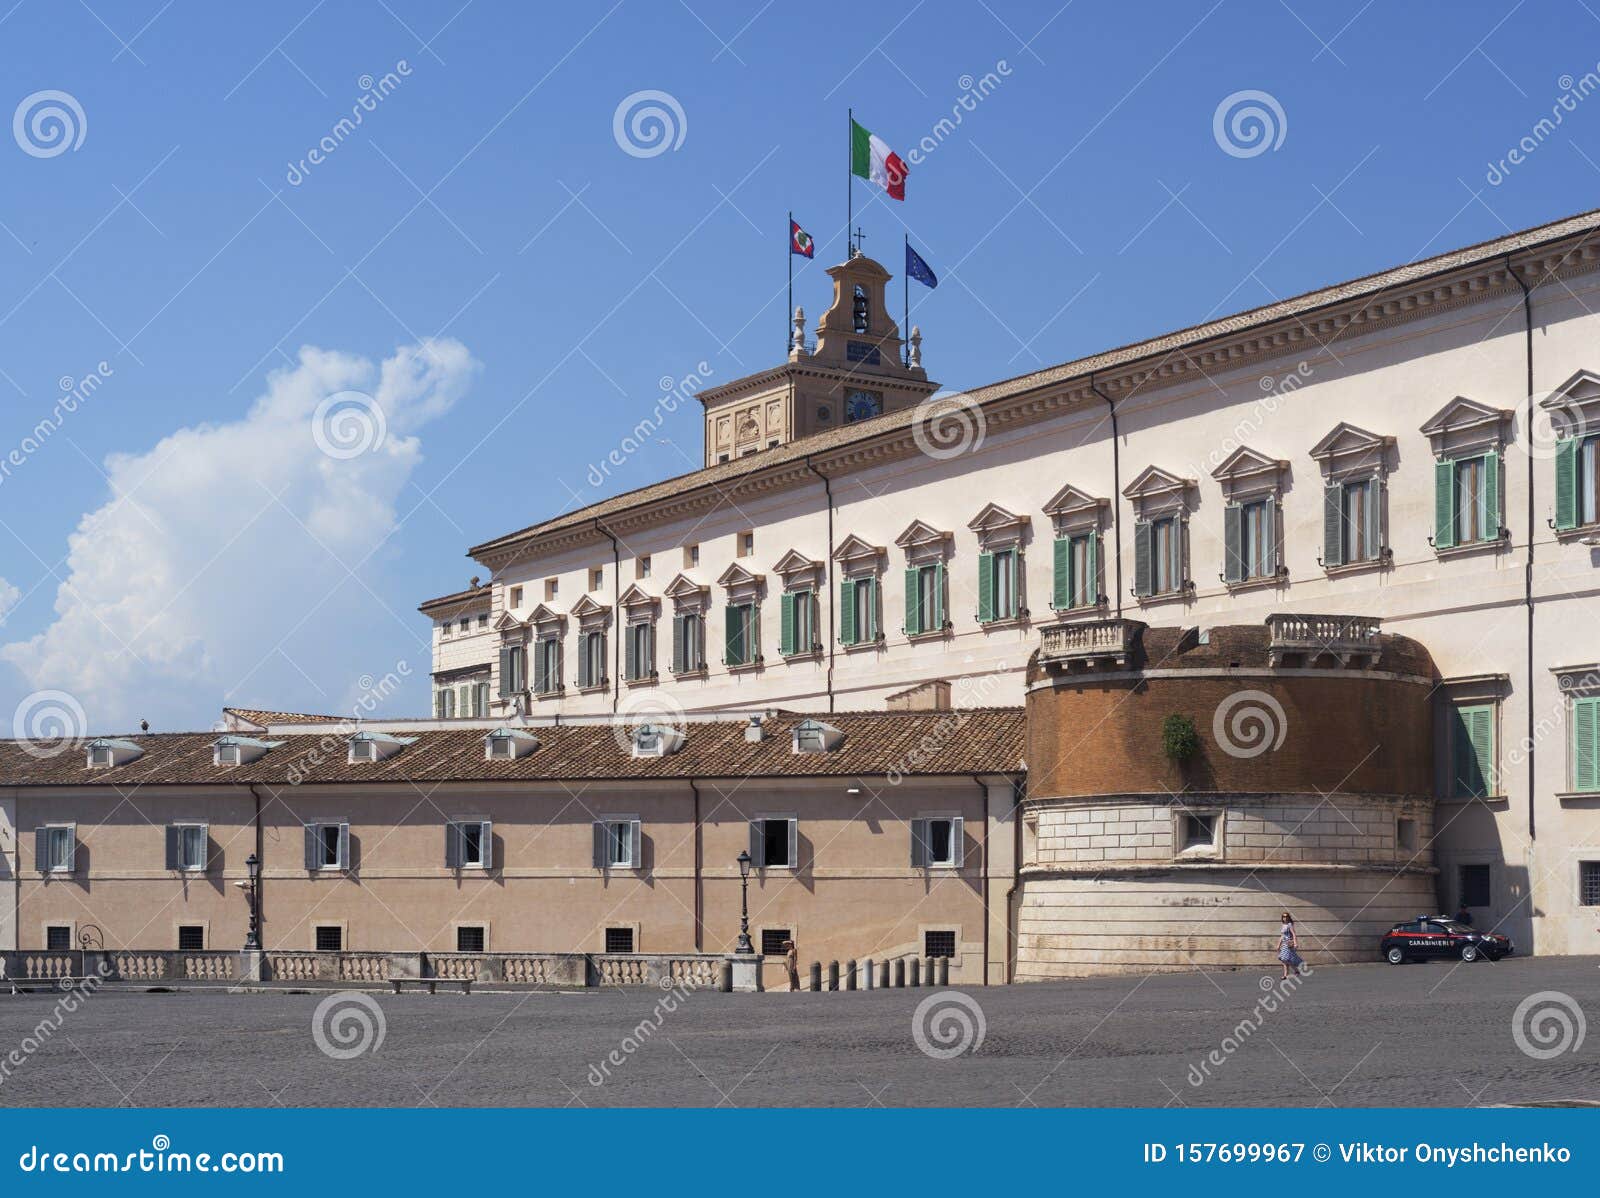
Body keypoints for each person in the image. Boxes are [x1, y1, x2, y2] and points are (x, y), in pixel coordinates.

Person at [1277, 912, 1303, 979]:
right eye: (1283, 916)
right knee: (1283, 959)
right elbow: (1282, 936)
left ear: (1288, 917)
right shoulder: (1283, 925)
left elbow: (1294, 934)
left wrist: (1295, 943)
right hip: (1284, 944)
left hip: (1288, 944)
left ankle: (1296, 971)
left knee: (1285, 959)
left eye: (1286, 916)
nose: (1285, 918)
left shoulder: (1289, 924)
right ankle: (1286, 975)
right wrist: (1278, 945)